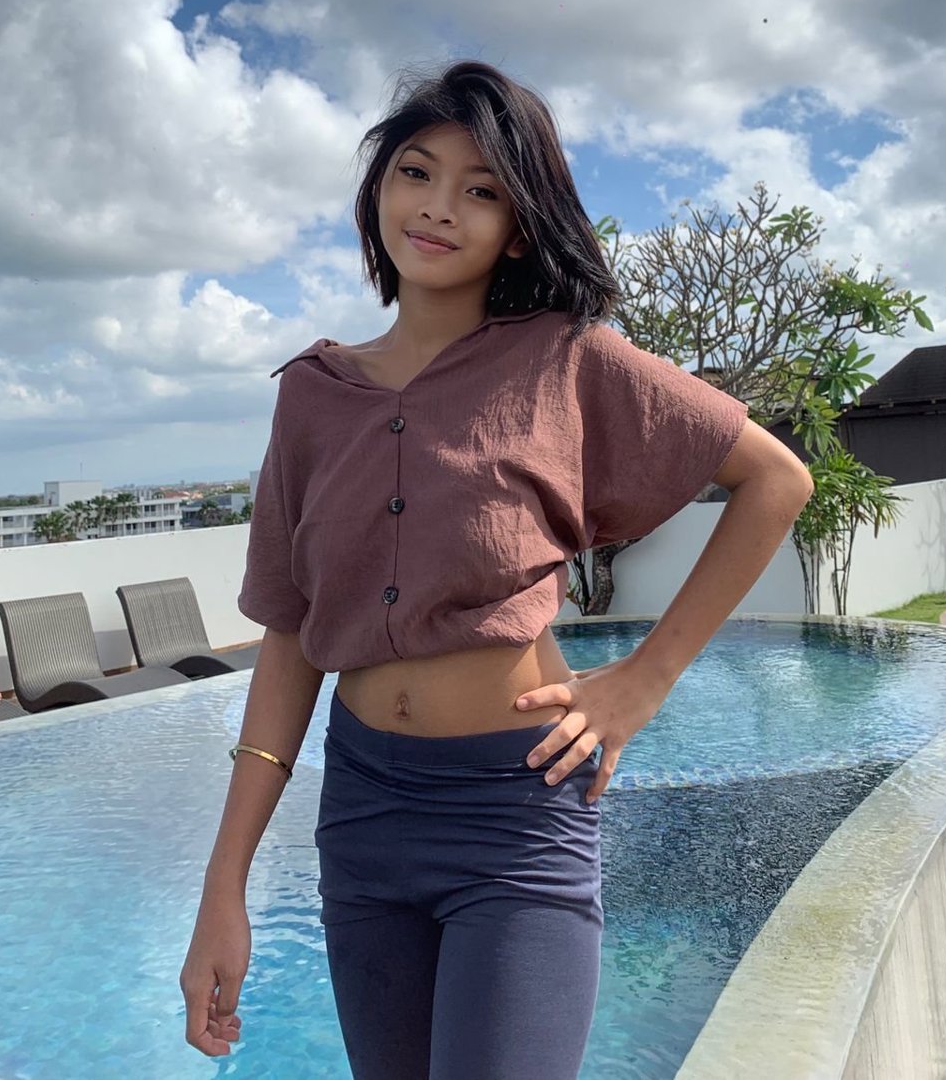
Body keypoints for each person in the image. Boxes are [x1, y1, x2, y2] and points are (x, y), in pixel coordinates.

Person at [178, 61, 814, 1079]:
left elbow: (775, 480)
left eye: (480, 190)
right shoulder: (312, 396)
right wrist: (225, 888)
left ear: (518, 230)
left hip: (514, 811)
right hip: (364, 817)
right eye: (415, 172)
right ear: (377, 190)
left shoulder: (567, 359)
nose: (438, 206)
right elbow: (292, 634)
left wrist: (643, 680)